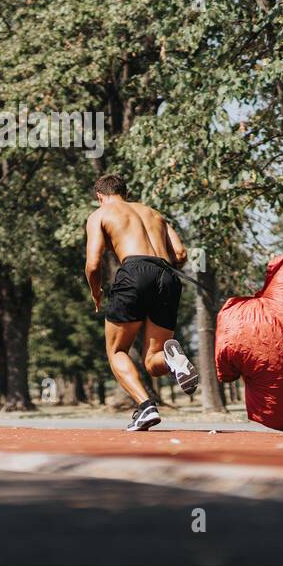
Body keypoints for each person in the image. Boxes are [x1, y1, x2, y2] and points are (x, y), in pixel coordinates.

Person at [84, 173, 198, 431]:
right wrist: (162, 274)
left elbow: (93, 263)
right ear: (125, 192)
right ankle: (173, 361)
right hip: (169, 275)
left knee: (116, 351)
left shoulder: (100, 214)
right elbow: (180, 253)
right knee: (154, 360)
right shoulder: (154, 213)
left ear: (99, 197)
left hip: (134, 270)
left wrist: (96, 292)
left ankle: (146, 407)